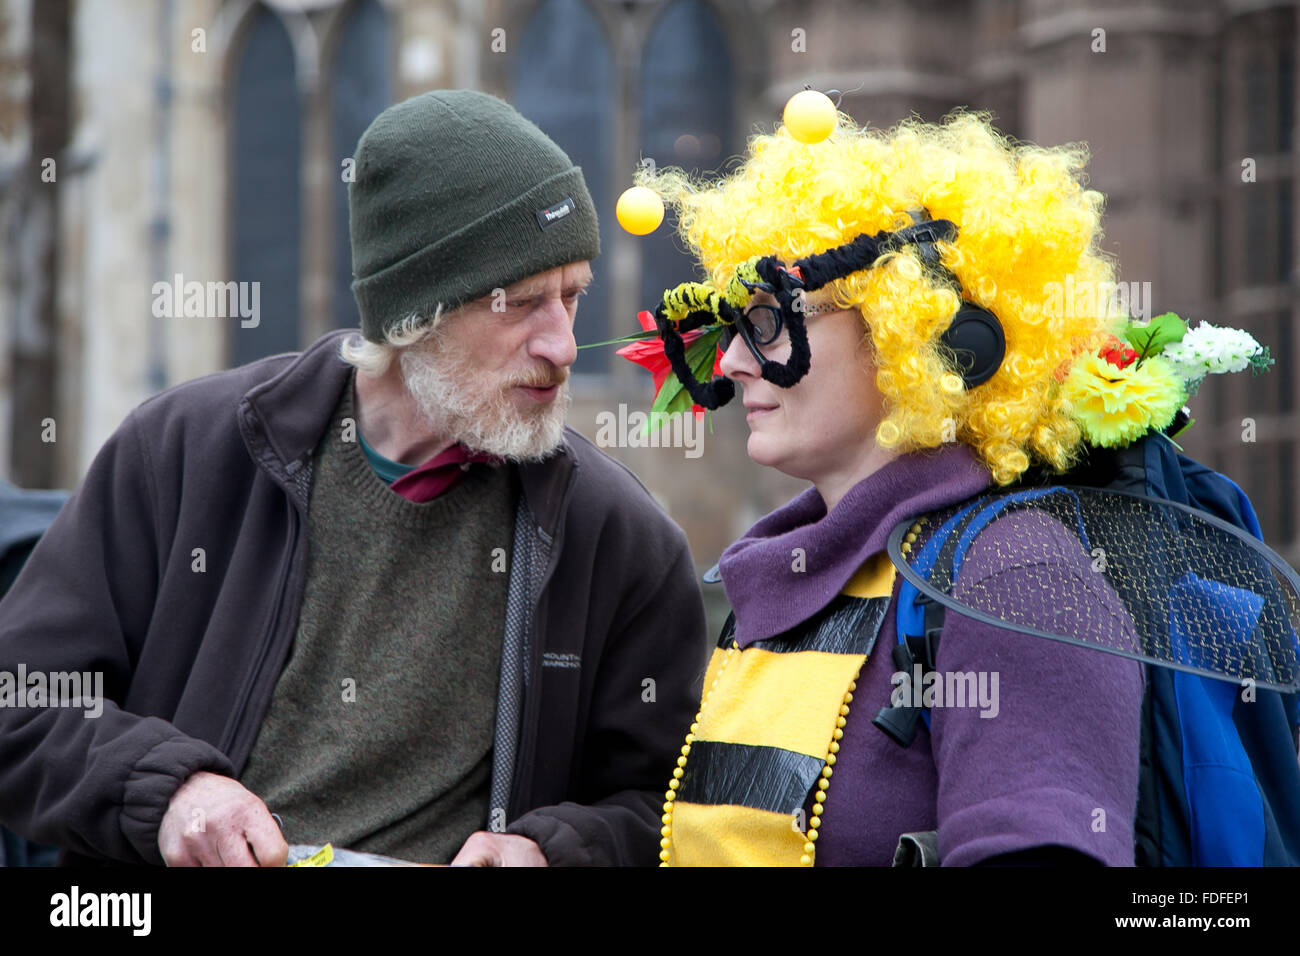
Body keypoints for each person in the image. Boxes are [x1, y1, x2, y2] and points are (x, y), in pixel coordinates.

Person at [0, 89, 708, 867]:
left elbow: (672, 812)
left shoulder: (618, 535)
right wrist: (167, 791)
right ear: (413, 314)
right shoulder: (182, 452)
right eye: (522, 304)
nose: (564, 346)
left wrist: (555, 850)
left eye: (574, 297)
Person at [629, 110, 1153, 866]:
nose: (734, 362)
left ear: (920, 332)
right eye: (732, 325)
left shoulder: (1013, 579)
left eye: (771, 321)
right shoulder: (782, 578)